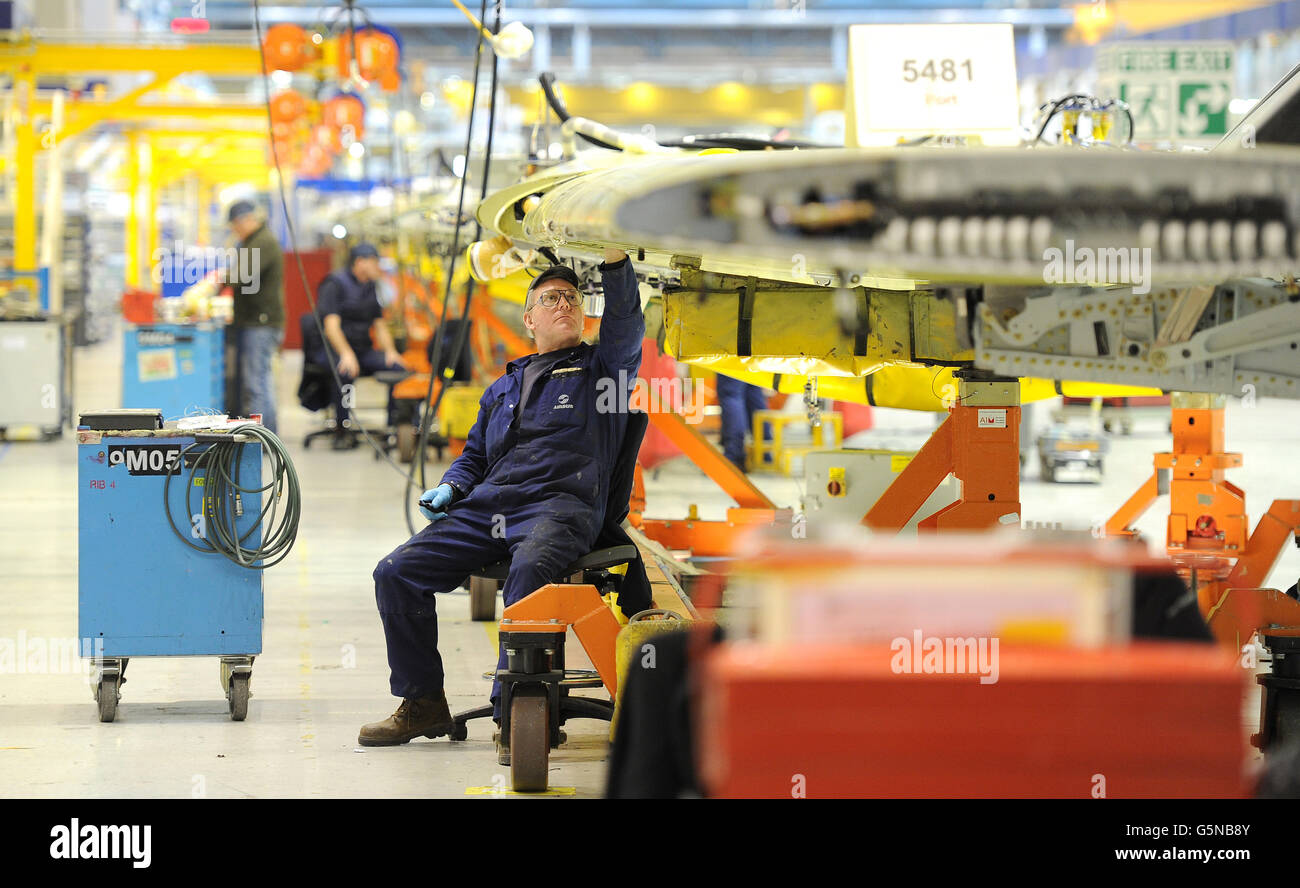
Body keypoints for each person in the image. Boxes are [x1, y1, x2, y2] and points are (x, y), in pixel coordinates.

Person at [360, 249, 647, 755]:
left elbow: (624, 325)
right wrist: (451, 485)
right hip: (489, 509)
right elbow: (474, 456)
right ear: (529, 317)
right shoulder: (503, 387)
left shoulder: (604, 371)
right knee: (395, 572)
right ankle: (423, 702)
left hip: (560, 507)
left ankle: (513, 708)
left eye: (572, 299)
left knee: (529, 573)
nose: (564, 305)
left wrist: (616, 263)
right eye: (551, 298)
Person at [313, 242, 407, 447]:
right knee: (344, 371)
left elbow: (379, 324)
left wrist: (391, 351)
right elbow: (331, 326)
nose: (378, 268)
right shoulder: (334, 283)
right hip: (335, 351)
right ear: (360, 262)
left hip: (363, 350)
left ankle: (394, 427)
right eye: (375, 262)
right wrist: (346, 353)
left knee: (398, 369)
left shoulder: (370, 286)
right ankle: (342, 427)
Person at [225, 201, 285, 434]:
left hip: (261, 323)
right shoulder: (254, 241)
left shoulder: (262, 242)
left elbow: (244, 276)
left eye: (235, 225)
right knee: (260, 380)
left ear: (246, 220)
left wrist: (220, 277)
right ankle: (269, 434)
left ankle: (263, 438)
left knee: (256, 384)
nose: (235, 230)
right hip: (256, 321)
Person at [714, 372, 768, 472]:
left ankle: (734, 455)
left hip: (733, 358)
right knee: (753, 393)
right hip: (753, 358)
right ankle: (765, 452)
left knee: (730, 394)